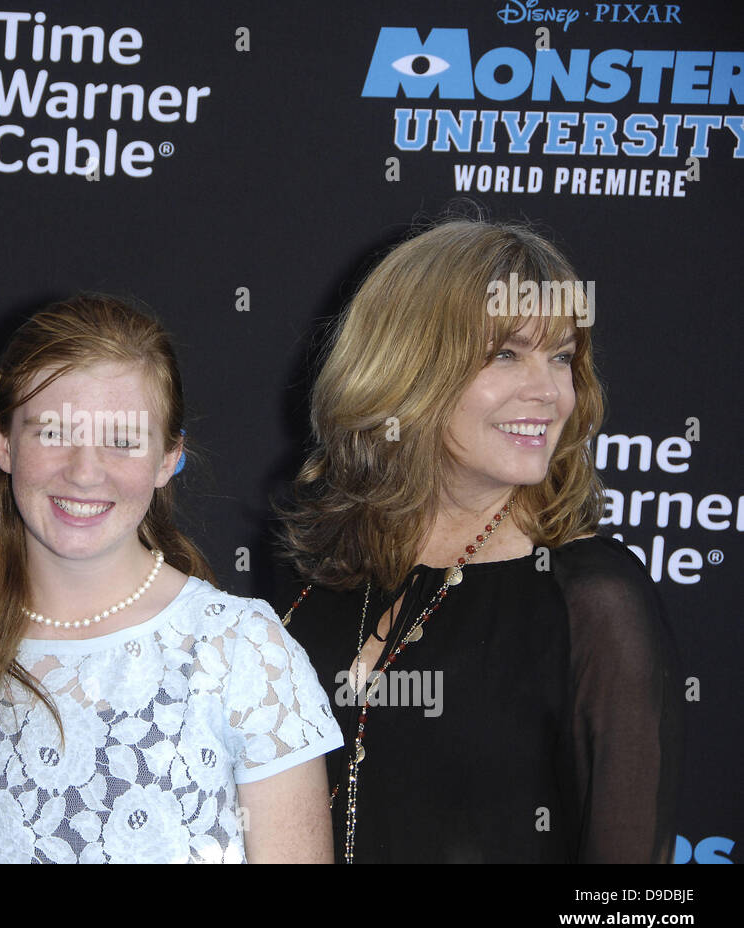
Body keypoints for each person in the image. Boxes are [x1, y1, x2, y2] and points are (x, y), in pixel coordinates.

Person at [278, 218, 681, 863]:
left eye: (562, 356)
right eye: (505, 354)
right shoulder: (317, 580)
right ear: (407, 366)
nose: (548, 391)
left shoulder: (590, 601)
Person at [0, 295, 342, 863]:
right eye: (53, 432)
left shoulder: (244, 654)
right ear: (1, 442)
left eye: (122, 440)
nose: (85, 471)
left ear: (169, 458)